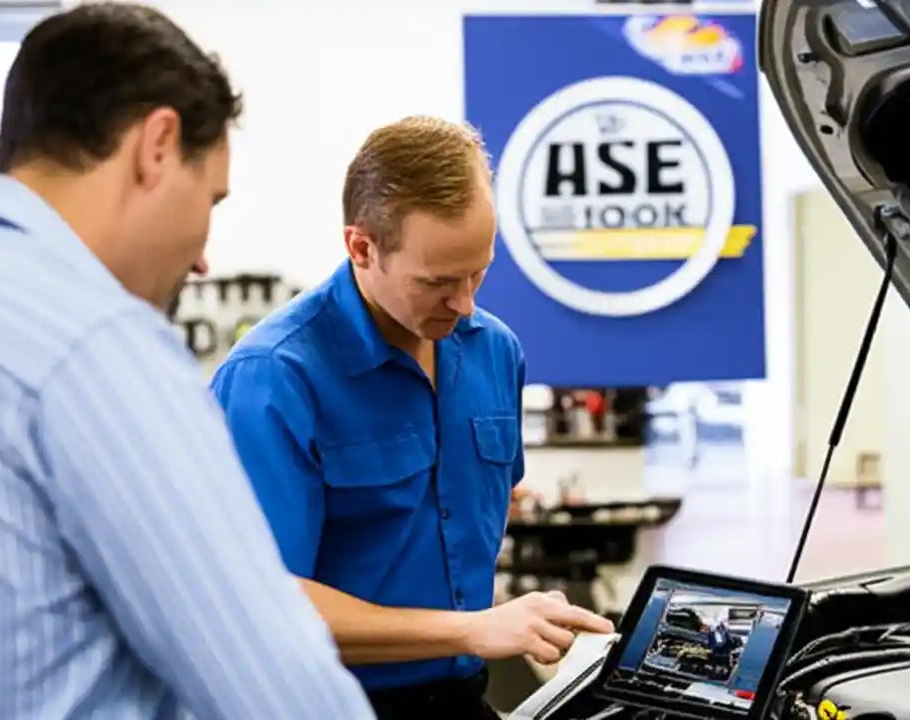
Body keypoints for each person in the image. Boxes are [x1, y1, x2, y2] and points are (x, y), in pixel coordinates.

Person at [0, 4, 373, 718]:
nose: (202, 257)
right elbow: (284, 698)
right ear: (157, 146)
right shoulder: (93, 344)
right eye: (211, 199)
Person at [209, 115, 615, 718]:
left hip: (456, 700)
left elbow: (474, 510)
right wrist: (470, 629)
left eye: (479, 272)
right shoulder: (272, 379)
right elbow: (259, 604)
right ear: (361, 248)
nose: (465, 303)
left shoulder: (494, 352)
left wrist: (516, 622)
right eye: (438, 282)